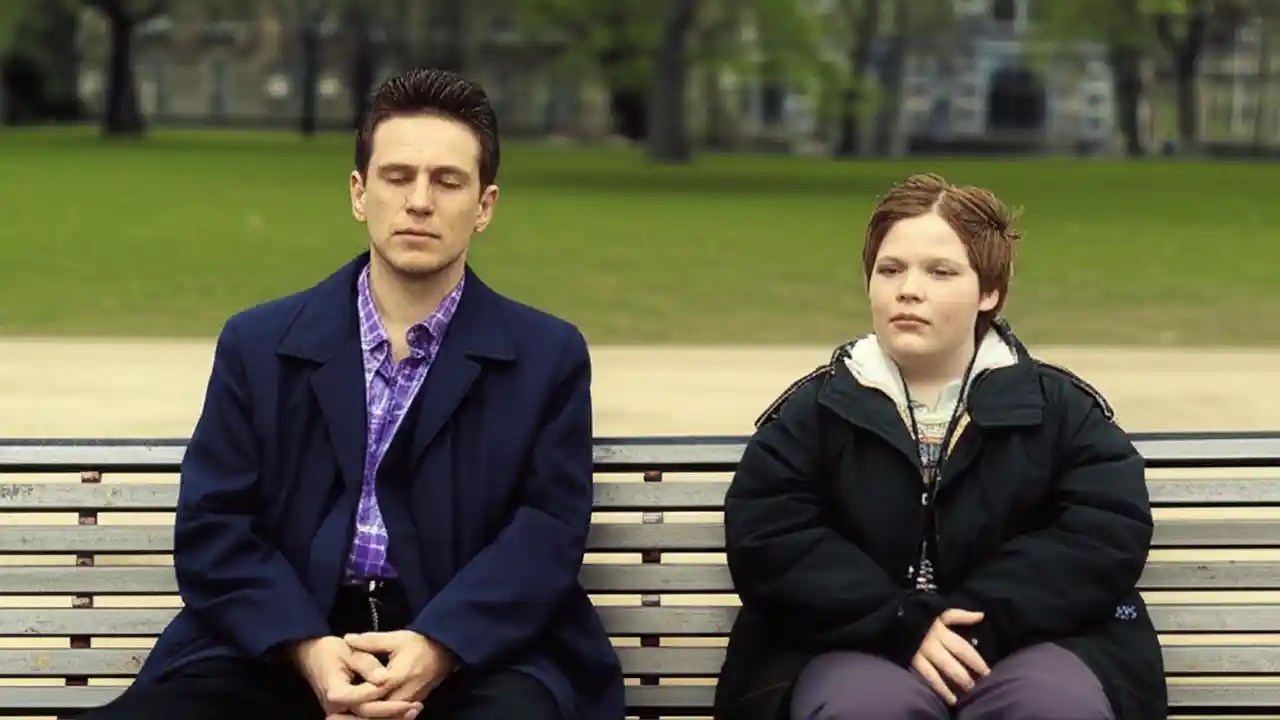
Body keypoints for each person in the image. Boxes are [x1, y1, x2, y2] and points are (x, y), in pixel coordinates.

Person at [82, 68, 624, 720]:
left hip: (478, 651)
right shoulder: (259, 345)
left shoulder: (546, 357)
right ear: (359, 193)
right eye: (397, 177)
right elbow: (215, 526)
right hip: (282, 639)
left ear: (484, 207)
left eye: (447, 181)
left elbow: (546, 535)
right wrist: (308, 650)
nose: (419, 201)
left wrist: (439, 645)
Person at [712, 174, 1165, 720]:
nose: (908, 289)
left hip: (1033, 642)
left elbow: (1105, 531)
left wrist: (979, 622)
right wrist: (902, 622)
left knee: (1052, 707)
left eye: (941, 272)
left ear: (989, 292)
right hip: (851, 644)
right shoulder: (816, 411)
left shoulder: (1059, 409)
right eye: (890, 270)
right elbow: (770, 539)